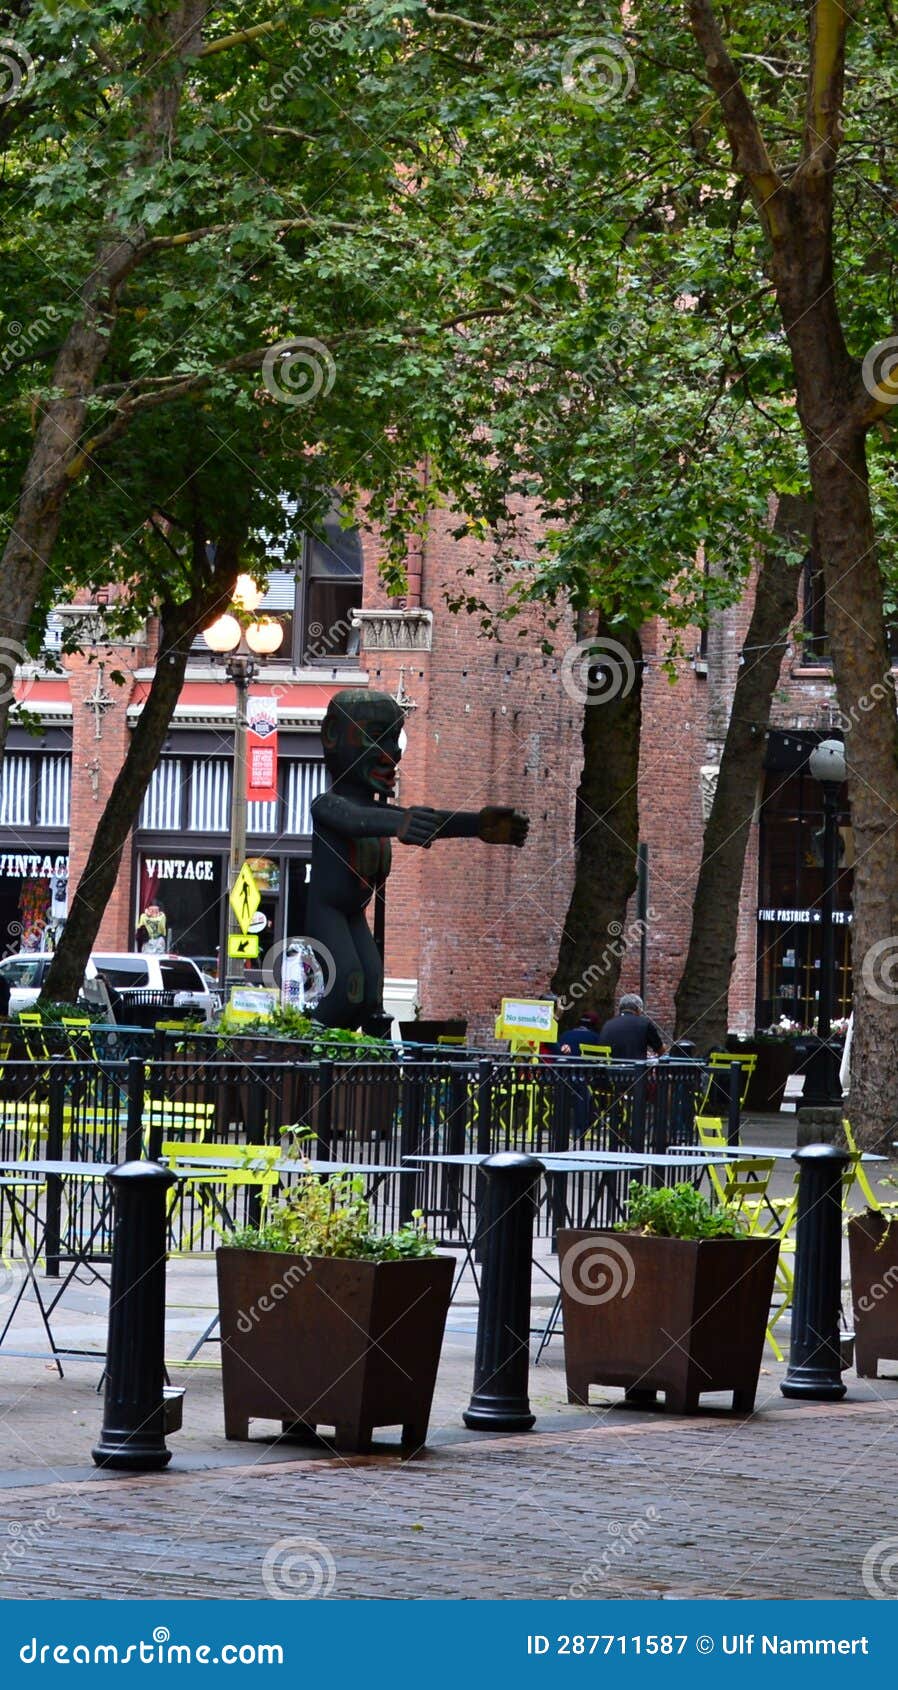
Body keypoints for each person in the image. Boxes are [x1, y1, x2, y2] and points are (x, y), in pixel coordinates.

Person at [599, 993, 665, 1060]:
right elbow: (660, 1051)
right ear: (639, 1009)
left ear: (620, 1008)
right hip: (633, 1065)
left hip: (609, 1065)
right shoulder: (644, 1023)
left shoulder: (608, 1024)